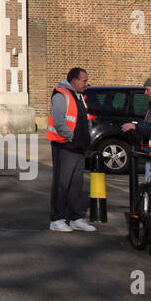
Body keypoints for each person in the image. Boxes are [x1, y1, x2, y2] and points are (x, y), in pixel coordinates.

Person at [45, 66, 96, 232]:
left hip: (78, 147)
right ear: (74, 81)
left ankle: (75, 218)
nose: (87, 84)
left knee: (76, 184)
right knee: (62, 183)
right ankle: (57, 219)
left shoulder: (80, 96)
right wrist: (72, 136)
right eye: (84, 80)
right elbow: (59, 121)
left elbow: (85, 120)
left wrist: (85, 137)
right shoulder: (61, 95)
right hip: (65, 146)